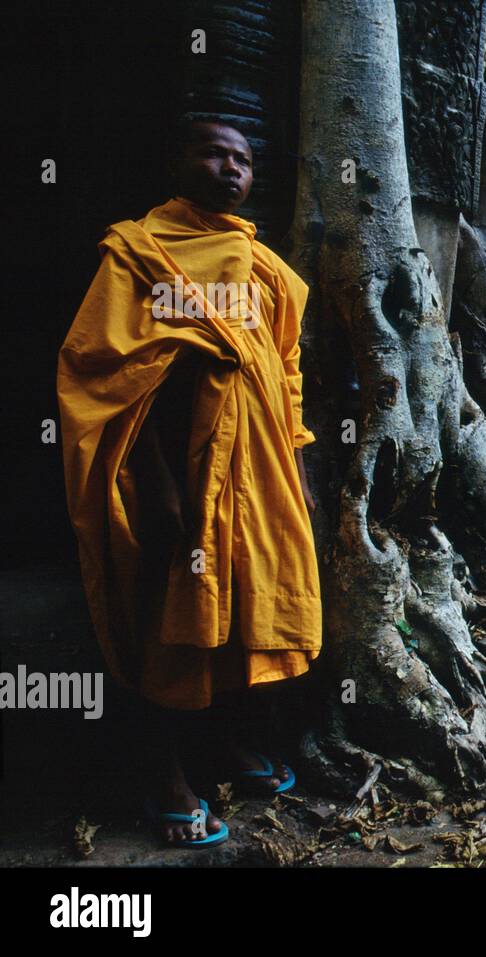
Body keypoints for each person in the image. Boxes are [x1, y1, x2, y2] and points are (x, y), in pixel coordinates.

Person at [57, 116, 322, 846]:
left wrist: (296, 473)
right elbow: (106, 372)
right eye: (213, 151)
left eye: (241, 158)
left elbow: (286, 376)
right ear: (178, 161)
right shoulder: (140, 253)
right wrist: (157, 478)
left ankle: (226, 747)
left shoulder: (259, 264)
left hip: (254, 472)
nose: (231, 167)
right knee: (167, 619)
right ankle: (164, 775)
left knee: (236, 613)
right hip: (170, 469)